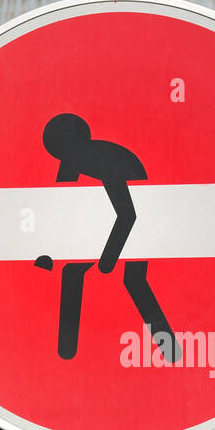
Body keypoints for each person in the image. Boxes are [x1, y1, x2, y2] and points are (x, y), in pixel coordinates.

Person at [38, 112, 181, 362]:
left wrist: (108, 259)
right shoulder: (74, 159)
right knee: (73, 271)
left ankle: (170, 352)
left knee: (134, 280)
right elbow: (61, 200)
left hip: (140, 214)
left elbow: (129, 215)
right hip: (105, 216)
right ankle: (65, 356)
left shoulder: (106, 160)